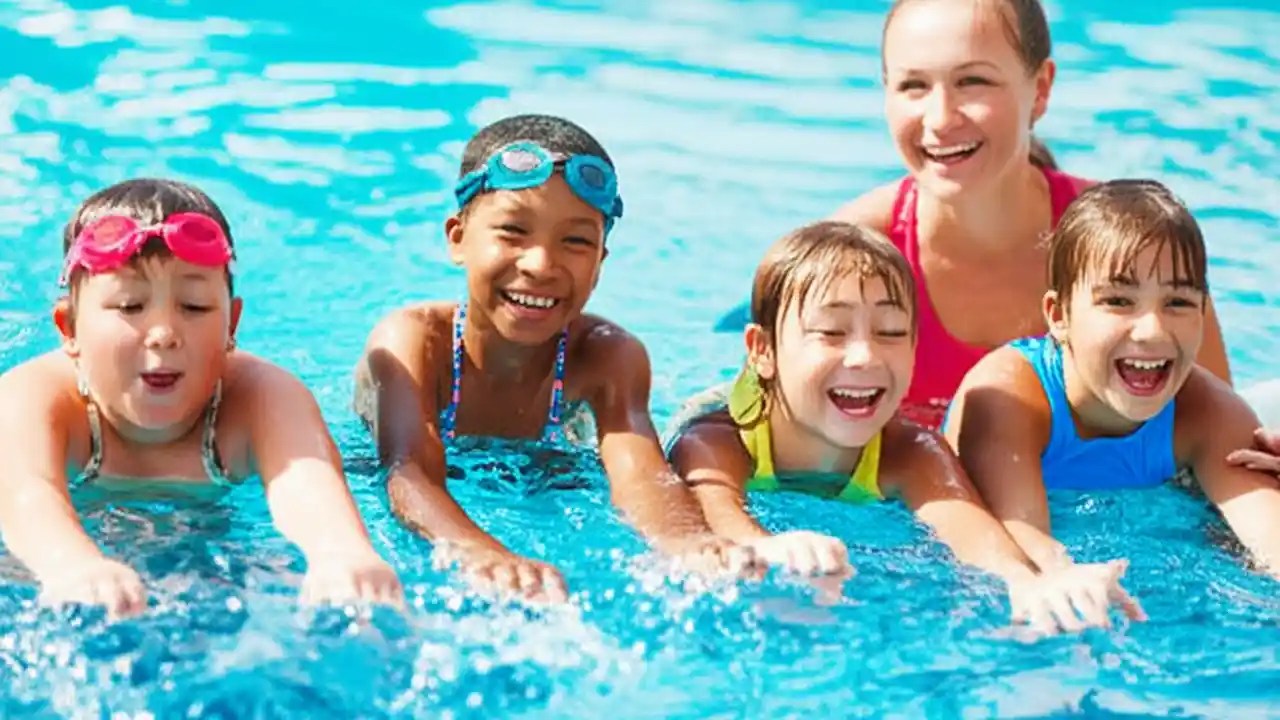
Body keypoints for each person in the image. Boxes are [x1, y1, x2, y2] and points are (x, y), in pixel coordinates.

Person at [667, 220, 1142, 631]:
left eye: (891, 334)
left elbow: (977, 539)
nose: (865, 356)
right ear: (762, 351)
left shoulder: (909, 451)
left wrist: (1039, 584)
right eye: (831, 333)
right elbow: (716, 516)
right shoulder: (715, 439)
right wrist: (765, 547)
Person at [355, 114, 754, 604]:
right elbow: (408, 470)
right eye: (512, 231)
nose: (540, 265)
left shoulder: (607, 356)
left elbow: (640, 474)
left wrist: (687, 542)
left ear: (601, 262)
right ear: (458, 239)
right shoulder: (413, 342)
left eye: (576, 242)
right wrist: (478, 551)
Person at [0, 178, 403, 619]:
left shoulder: (258, 396)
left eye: (193, 307)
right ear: (69, 329)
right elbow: (26, 493)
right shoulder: (36, 397)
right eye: (130, 306)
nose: (164, 334)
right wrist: (70, 565)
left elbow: (307, 480)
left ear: (232, 325)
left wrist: (339, 551)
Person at [945, 179, 1280, 585]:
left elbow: (1272, 548)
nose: (1152, 331)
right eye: (1118, 302)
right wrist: (1067, 581)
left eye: (1177, 303)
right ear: (1058, 314)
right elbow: (1026, 558)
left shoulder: (1207, 411)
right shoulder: (1007, 398)